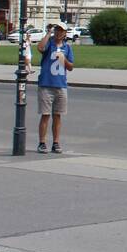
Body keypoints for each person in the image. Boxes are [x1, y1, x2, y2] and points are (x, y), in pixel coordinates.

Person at [36, 20, 75, 154]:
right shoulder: (49, 44)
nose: (58, 33)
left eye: (61, 31)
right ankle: (42, 142)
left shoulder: (67, 47)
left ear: (65, 33)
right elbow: (40, 48)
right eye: (57, 30)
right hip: (46, 84)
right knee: (45, 115)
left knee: (57, 115)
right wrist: (48, 33)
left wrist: (63, 59)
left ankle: (56, 142)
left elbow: (70, 67)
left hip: (60, 85)